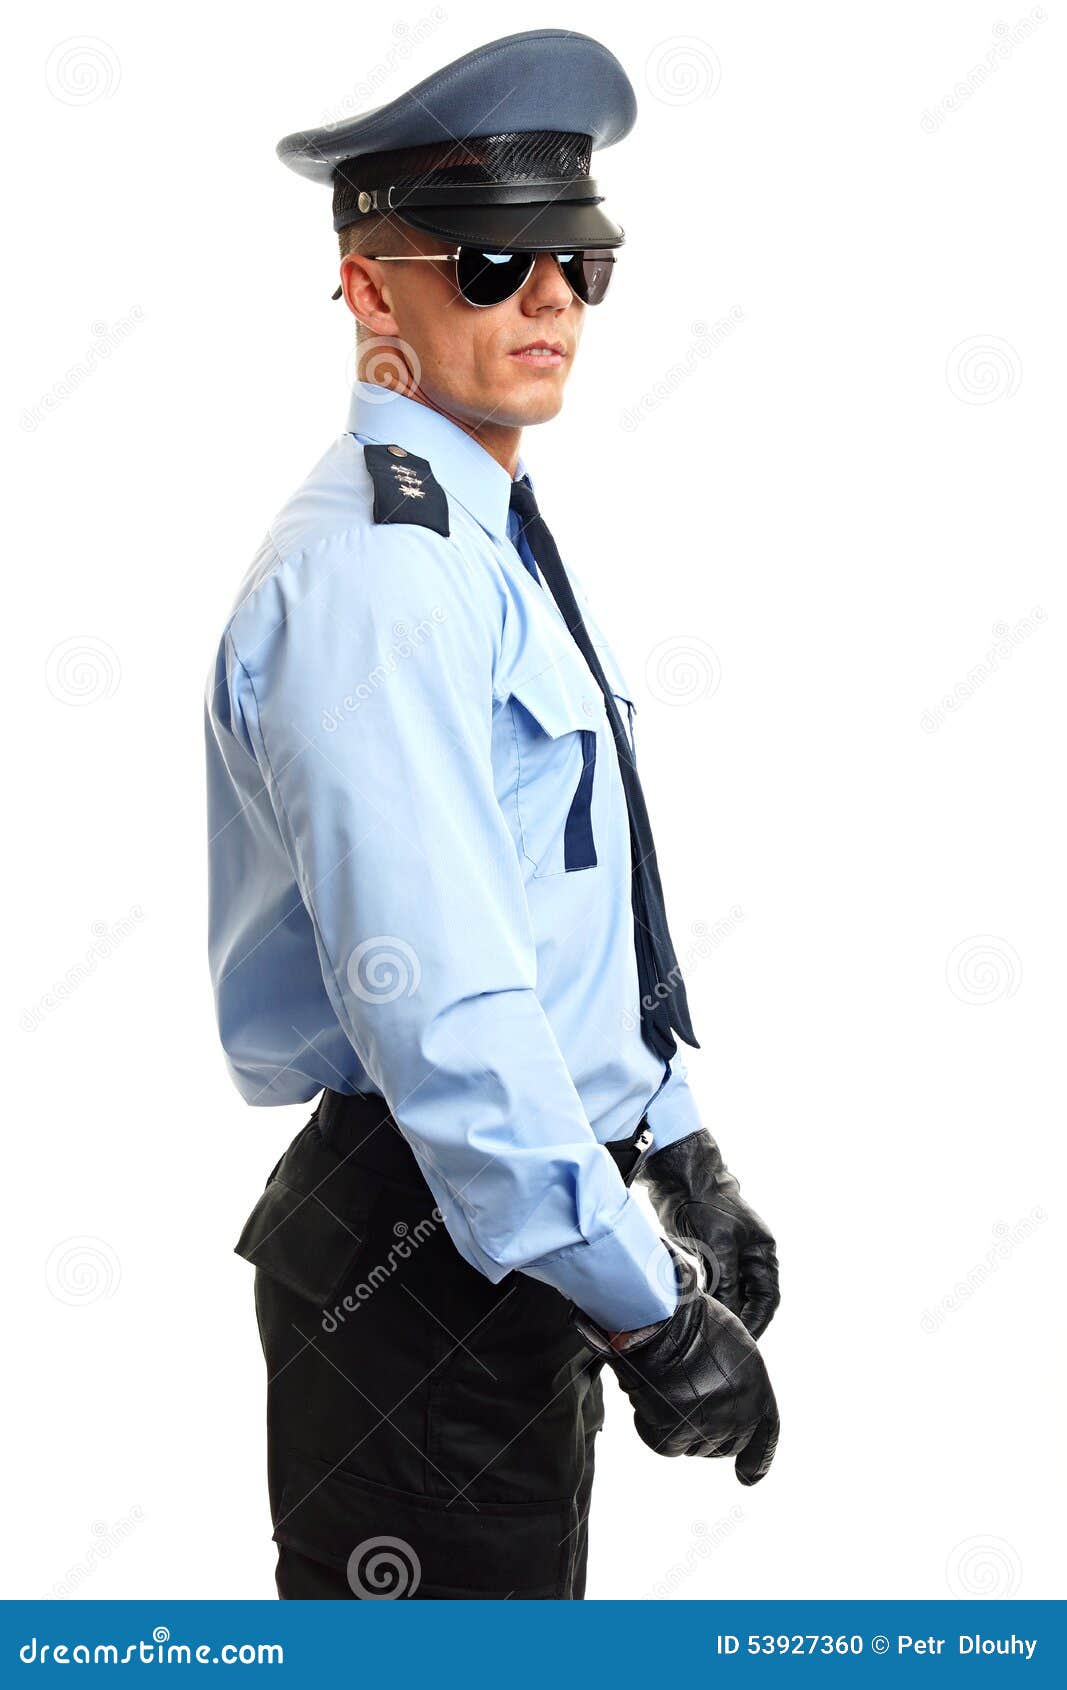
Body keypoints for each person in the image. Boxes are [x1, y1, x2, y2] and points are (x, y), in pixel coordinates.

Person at [204, 29, 781, 1602]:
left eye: (581, 262)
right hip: (431, 1269)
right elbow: (446, 1012)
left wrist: (673, 1143)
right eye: (489, 260)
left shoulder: (473, 523)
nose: (548, 300)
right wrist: (646, 1307)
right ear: (369, 289)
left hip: (506, 1234)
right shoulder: (382, 573)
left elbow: (548, 894)